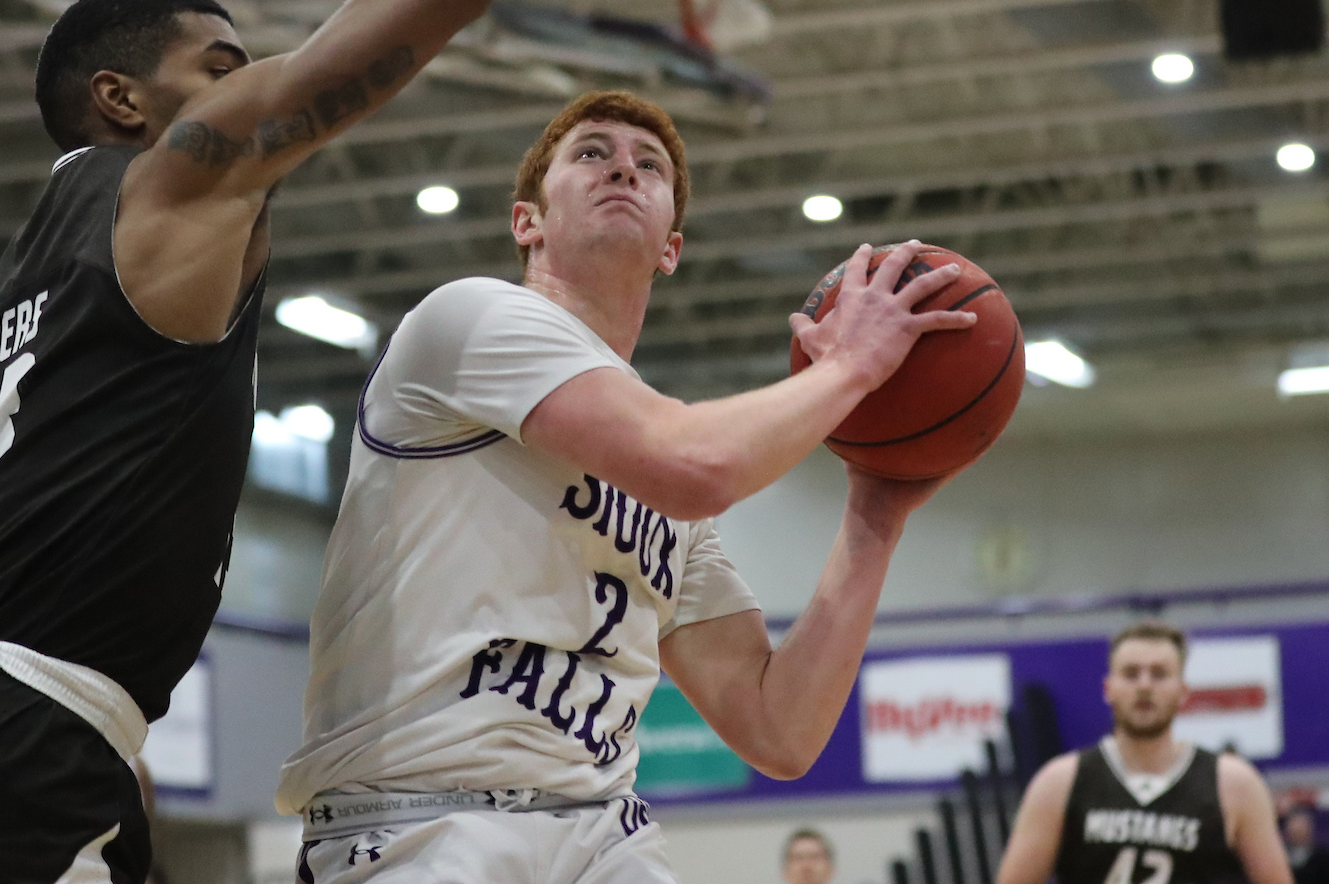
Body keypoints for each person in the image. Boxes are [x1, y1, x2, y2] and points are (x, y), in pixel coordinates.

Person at [0, 0, 490, 880]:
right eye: (219, 67)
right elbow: (332, 69)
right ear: (122, 99)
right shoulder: (170, 189)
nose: (241, 83)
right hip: (19, 737)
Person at [274, 89, 978, 883]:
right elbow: (695, 465)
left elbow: (779, 728)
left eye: (649, 166)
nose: (623, 167)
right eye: (591, 153)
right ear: (526, 223)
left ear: (670, 249)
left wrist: (875, 512)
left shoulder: (663, 485)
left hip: (601, 830)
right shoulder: (468, 320)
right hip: (421, 816)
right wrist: (854, 367)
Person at [996, 620, 1293, 884]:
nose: (1145, 686)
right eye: (1131, 673)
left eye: (1160, 674)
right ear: (1108, 688)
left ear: (1183, 692)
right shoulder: (1060, 781)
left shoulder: (1234, 784)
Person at [1284, 806, 1329, 884]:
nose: (1297, 834)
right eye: (1294, 831)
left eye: (1300, 830)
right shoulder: (1281, 854)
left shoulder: (1322, 855)